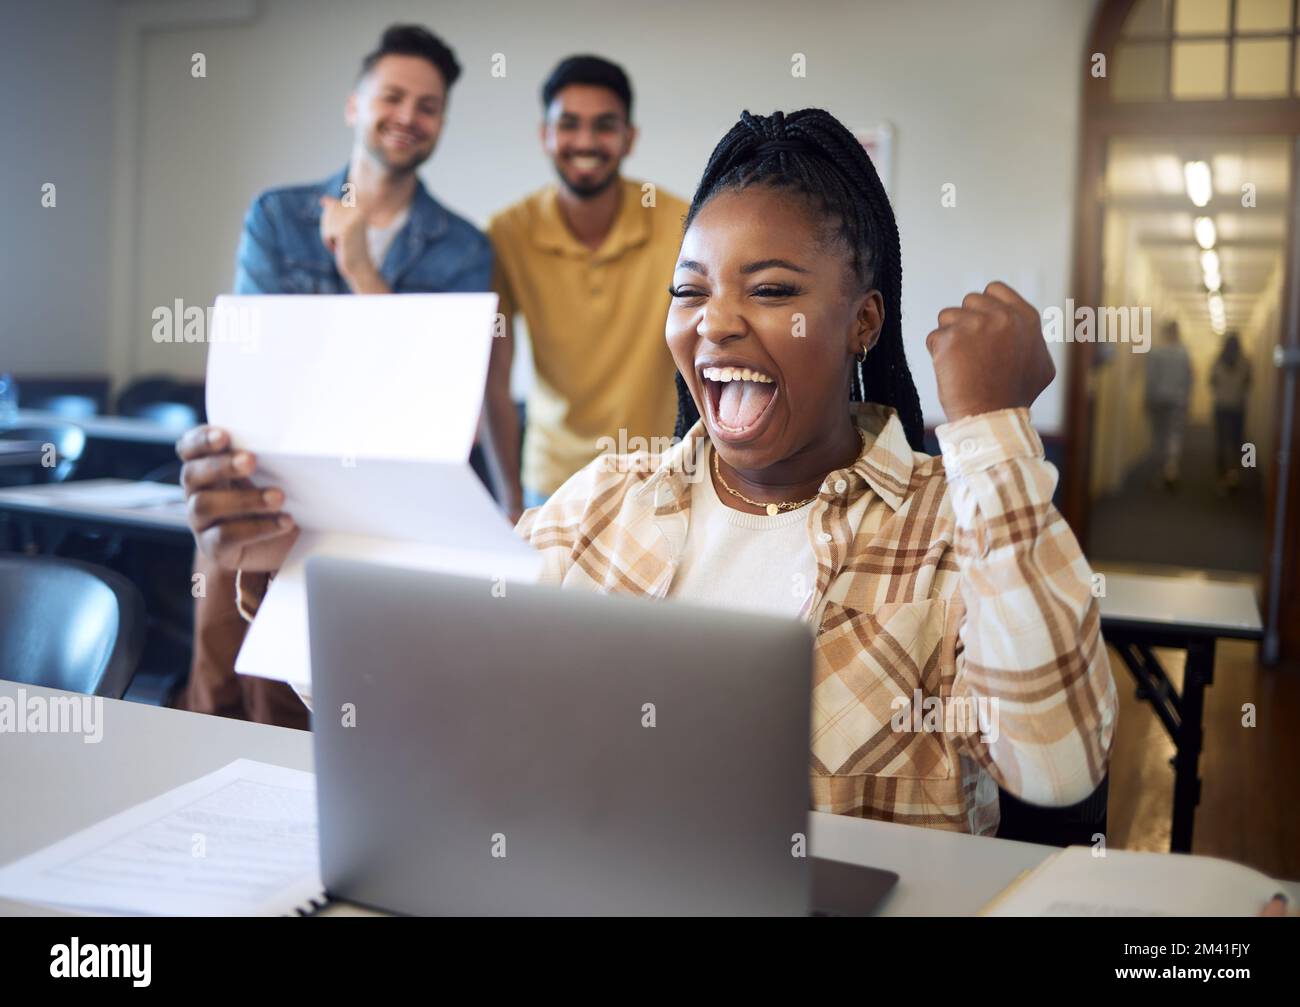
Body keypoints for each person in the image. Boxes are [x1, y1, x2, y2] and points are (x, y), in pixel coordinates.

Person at [178, 107, 1116, 835]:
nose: (714, 321)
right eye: (691, 289)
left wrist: (990, 428)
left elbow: (1058, 765)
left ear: (863, 322)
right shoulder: (604, 502)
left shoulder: (951, 527)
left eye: (773, 290)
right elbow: (420, 685)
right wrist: (278, 555)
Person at [183, 24, 491, 729]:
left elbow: (433, 399)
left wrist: (358, 267)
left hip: (388, 500)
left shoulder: (465, 250)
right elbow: (259, 370)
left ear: (441, 122)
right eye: (393, 97)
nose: (408, 117)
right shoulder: (277, 216)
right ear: (355, 105)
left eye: (428, 105)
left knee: (314, 707)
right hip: (265, 478)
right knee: (221, 681)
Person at [482, 56, 689, 520]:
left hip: (656, 476)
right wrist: (509, 502)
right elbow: (494, 378)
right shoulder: (508, 233)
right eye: (569, 125)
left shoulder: (680, 223)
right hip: (550, 484)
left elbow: (711, 353)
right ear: (545, 135)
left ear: (628, 138)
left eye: (605, 126)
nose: (586, 142)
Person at [1144, 320, 1193, 489]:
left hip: (1158, 399)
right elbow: (1188, 379)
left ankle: (1159, 471)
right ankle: (1171, 469)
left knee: (1159, 436)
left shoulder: (1156, 352)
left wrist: (1147, 399)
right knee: (1174, 435)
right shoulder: (1183, 353)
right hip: (1177, 401)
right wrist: (1187, 400)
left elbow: (1150, 379)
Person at [1210, 331, 1252, 494]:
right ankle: (1234, 476)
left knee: (1221, 442)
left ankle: (1221, 478)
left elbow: (1211, 382)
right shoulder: (1245, 362)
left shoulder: (1218, 361)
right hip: (1237, 407)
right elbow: (1248, 383)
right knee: (1237, 442)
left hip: (1221, 406)